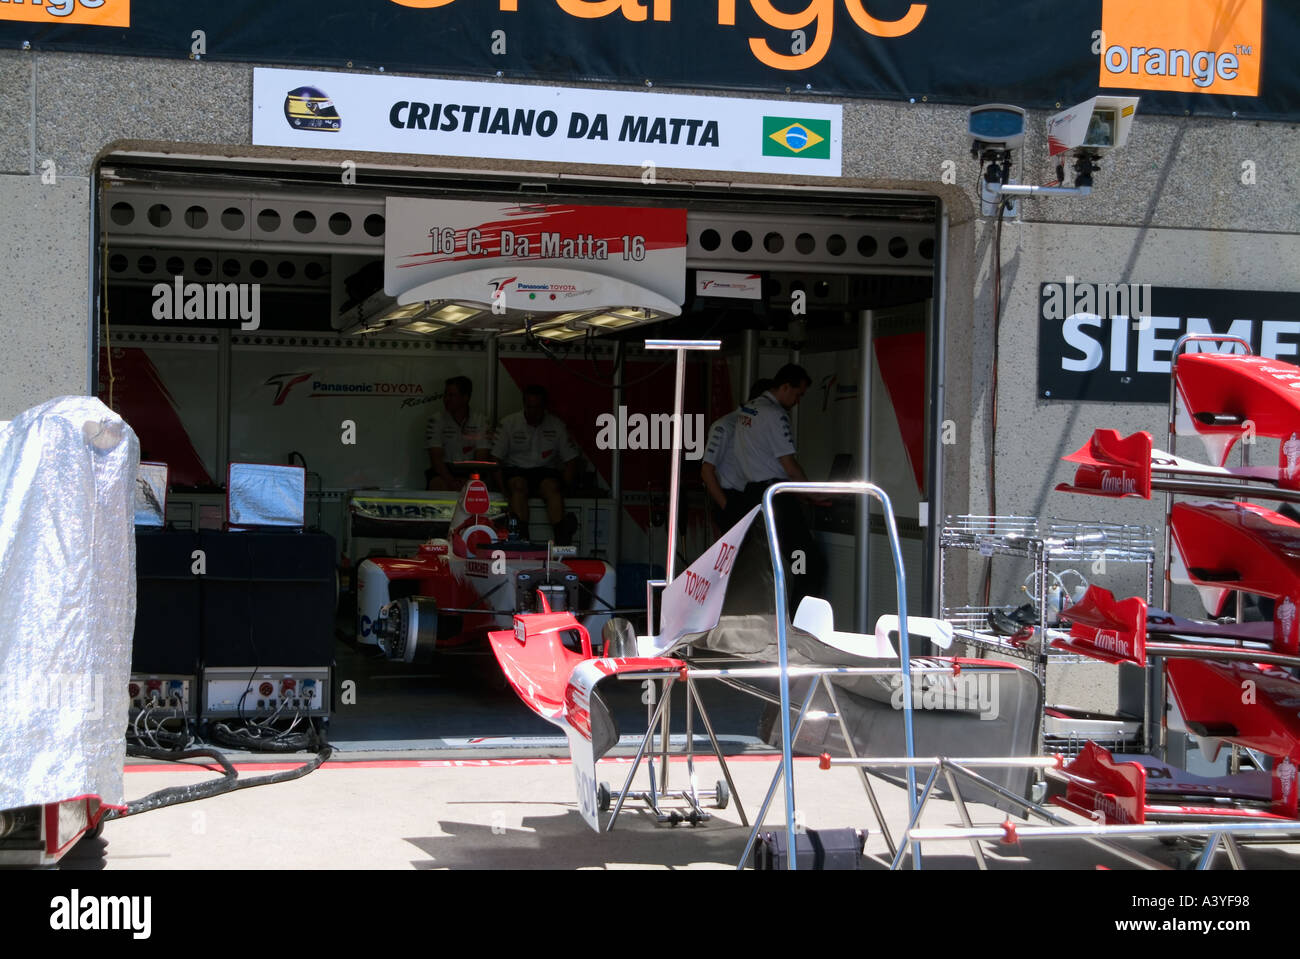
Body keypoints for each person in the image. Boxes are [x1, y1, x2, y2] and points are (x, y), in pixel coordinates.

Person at [732, 363, 825, 607]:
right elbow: (789, 464)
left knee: (767, 562)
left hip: (751, 495)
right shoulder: (775, 415)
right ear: (785, 387)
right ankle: (798, 621)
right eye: (798, 394)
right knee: (808, 562)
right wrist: (813, 494)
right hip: (776, 499)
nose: (798, 401)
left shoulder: (747, 410)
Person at [491, 384, 581, 544]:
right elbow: (495, 459)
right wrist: (505, 492)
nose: (533, 411)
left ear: (545, 406)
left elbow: (572, 460)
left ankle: (562, 539)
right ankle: (521, 537)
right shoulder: (509, 423)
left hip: (545, 472)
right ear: (524, 405)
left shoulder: (556, 425)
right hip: (516, 471)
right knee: (518, 485)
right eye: (530, 407)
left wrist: (564, 489)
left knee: (552, 487)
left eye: (538, 407)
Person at [701, 378, 773, 534]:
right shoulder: (725, 425)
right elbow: (706, 471)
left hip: (754, 497)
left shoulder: (762, 426)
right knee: (735, 556)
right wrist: (727, 507)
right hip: (732, 498)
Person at [425, 375, 490, 490]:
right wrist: (452, 481)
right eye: (445, 395)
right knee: (437, 484)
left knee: (477, 485)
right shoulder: (436, 420)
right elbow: (436, 459)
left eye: (451, 395)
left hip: (472, 470)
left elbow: (482, 458)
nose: (446, 399)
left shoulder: (480, 420)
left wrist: (470, 481)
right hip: (445, 470)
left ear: (465, 398)